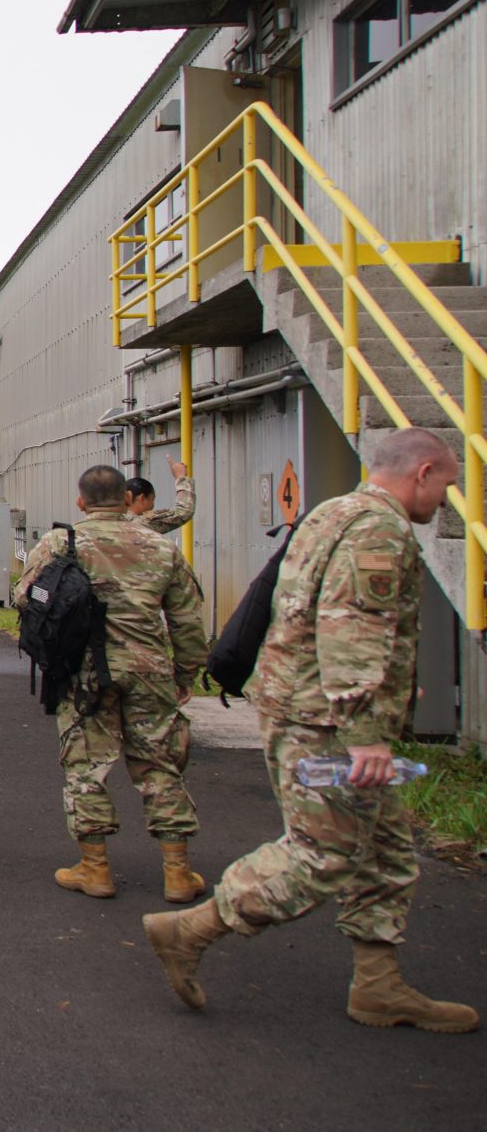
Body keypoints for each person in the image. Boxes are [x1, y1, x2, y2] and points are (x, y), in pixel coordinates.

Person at [145, 428, 477, 1033]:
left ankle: (379, 985)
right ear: (423, 471)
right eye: (448, 483)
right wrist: (367, 731)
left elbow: (317, 616)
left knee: (384, 847)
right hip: (323, 722)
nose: (447, 497)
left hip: (312, 705)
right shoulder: (379, 527)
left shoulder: (331, 513)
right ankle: (191, 929)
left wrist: (389, 691)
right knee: (323, 852)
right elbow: (353, 624)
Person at [15, 464, 207, 902]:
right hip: (150, 671)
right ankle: (177, 872)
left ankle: (95, 867)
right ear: (127, 501)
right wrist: (185, 673)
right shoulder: (161, 548)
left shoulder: (61, 544)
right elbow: (189, 620)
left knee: (86, 768)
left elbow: (25, 596)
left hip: (84, 674)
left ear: (80, 502)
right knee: (161, 767)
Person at [126, 457, 194, 535]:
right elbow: (182, 512)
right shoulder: (140, 524)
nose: (153, 506)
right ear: (142, 498)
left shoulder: (112, 521)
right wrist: (181, 478)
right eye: (152, 499)